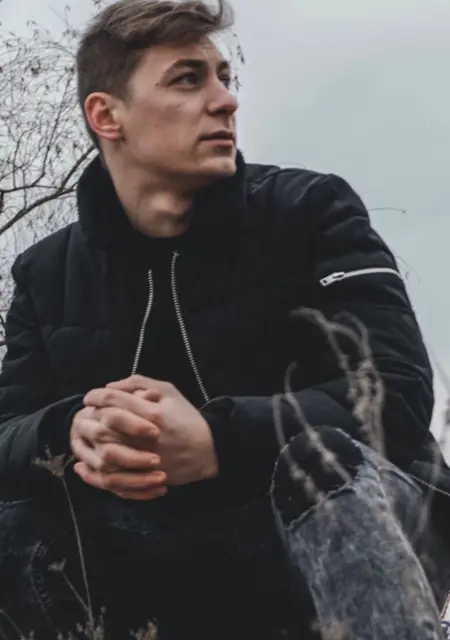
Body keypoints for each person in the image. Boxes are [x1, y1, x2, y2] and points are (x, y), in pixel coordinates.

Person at [0, 1, 449, 638]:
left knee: (322, 464)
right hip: (160, 558)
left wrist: (219, 442)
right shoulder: (46, 274)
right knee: (18, 521)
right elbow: (8, 431)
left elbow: (394, 397)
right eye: (188, 79)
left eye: (224, 77)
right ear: (107, 116)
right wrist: (71, 431)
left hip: (330, 534)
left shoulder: (311, 211)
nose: (225, 101)